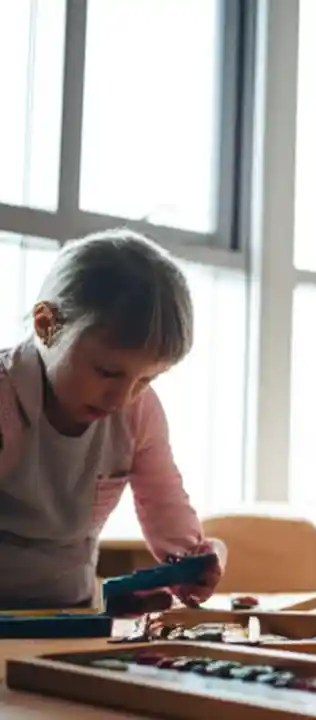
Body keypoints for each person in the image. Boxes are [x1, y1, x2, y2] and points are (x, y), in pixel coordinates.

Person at [0, 229, 224, 610]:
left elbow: (164, 500)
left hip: (71, 612)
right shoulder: (6, 397)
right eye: (107, 372)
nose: (122, 398)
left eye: (147, 379)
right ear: (46, 326)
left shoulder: (140, 411)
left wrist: (193, 563)